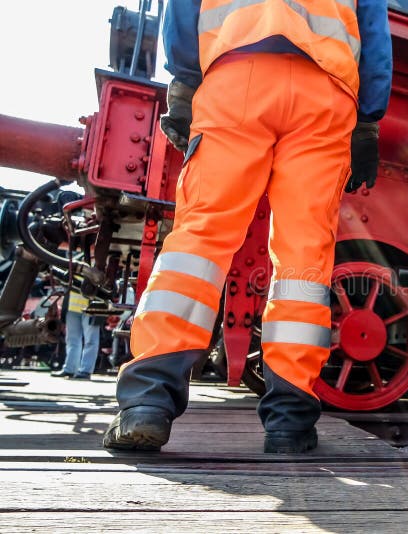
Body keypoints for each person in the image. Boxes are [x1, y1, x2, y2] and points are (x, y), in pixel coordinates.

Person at [103, 0, 392, 453]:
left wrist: (183, 80)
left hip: (236, 74)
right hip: (327, 92)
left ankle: (148, 402)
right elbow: (374, 32)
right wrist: (370, 120)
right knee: (304, 258)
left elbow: (182, 10)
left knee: (199, 238)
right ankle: (290, 422)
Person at [51, 289, 101, 380]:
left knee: (90, 340)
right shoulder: (72, 274)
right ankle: (70, 369)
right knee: (72, 340)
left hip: (91, 308)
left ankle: (85, 371)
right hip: (72, 308)